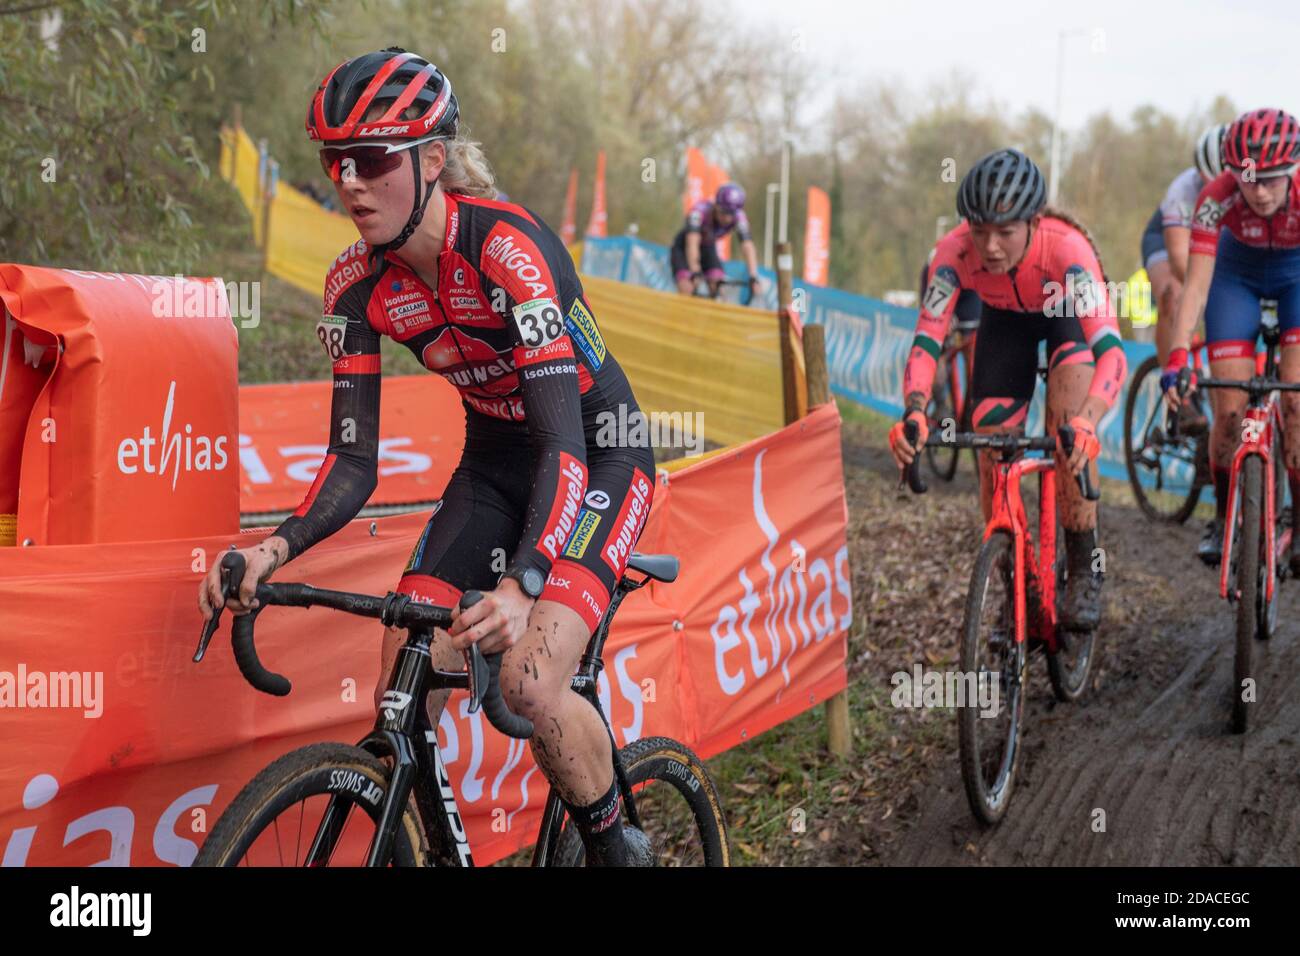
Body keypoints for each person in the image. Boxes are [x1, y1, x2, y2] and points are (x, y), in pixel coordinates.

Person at [197, 48, 656, 866]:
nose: (350, 182)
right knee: (401, 686)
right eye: (336, 163)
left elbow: (562, 445)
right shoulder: (353, 286)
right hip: (492, 467)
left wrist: (523, 584)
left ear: (432, 160)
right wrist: (270, 548)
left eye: (371, 160)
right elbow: (353, 463)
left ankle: (618, 845)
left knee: (527, 682)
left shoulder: (511, 252)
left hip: (596, 456)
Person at [890, 149, 1127, 631]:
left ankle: (1083, 567)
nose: (991, 247)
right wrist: (915, 410)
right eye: (979, 232)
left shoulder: (1068, 251)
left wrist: (1088, 419)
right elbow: (926, 340)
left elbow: (1113, 355)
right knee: (991, 444)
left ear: (1034, 223)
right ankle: (1013, 579)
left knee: (1066, 433)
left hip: (1066, 321)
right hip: (1004, 324)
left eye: (1005, 232)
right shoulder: (952, 255)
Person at [1162, 108, 1300, 567]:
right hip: (1234, 279)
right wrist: (1178, 357)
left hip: (1295, 278)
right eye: (1248, 180)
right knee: (1229, 411)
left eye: (1271, 180)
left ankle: (1297, 521)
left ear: (1292, 169)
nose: (1259, 192)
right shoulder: (1214, 197)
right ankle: (1223, 518)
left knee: (1296, 404)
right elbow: (1196, 288)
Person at [1140, 123, 1228, 366]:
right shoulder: (1183, 190)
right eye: (1211, 183)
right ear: (1200, 174)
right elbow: (1181, 262)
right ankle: (1175, 384)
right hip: (1167, 240)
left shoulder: (1254, 186)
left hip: (1216, 239)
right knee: (1175, 294)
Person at [670, 183, 761, 298]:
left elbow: (747, 246)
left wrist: (753, 276)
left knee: (719, 286)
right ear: (716, 205)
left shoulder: (739, 217)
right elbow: (692, 243)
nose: (727, 218)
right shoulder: (699, 212)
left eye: (731, 214)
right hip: (683, 248)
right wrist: (695, 271)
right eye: (723, 212)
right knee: (687, 288)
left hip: (708, 247)